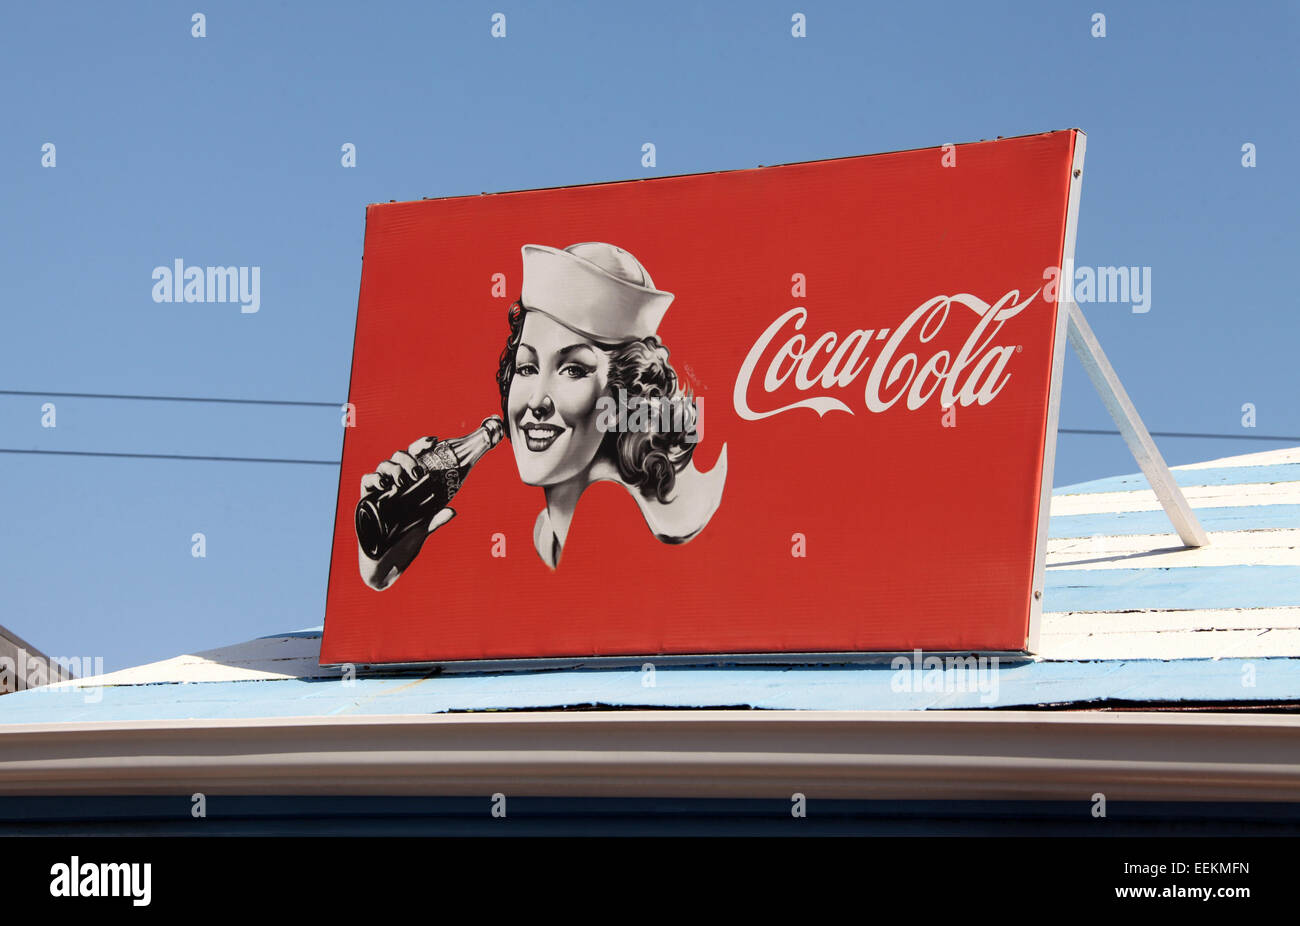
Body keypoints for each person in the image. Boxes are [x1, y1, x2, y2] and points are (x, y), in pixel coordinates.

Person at [358, 241, 727, 588]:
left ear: (625, 397)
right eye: (526, 368)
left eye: (573, 370)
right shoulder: (545, 539)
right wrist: (383, 567)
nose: (536, 401)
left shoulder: (651, 548)